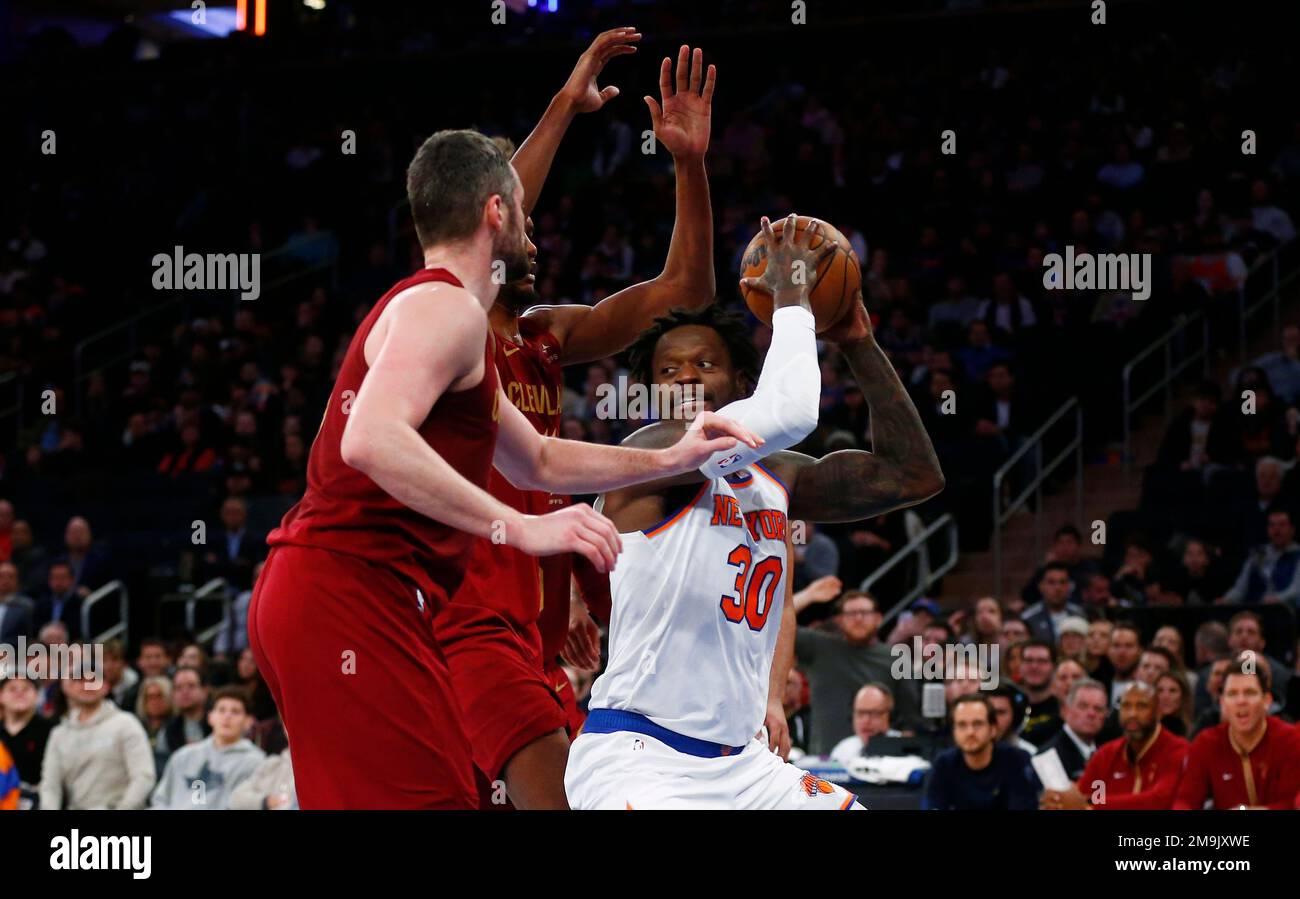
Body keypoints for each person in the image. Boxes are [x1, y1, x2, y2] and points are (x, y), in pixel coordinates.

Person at [248, 129, 755, 810]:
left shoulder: (450, 317)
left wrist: (671, 456)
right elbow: (369, 439)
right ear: (497, 212)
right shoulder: (446, 306)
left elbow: (540, 458)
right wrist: (517, 527)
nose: (532, 229)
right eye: (522, 210)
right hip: (345, 588)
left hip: (360, 595)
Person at [564, 217, 944, 809]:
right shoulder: (652, 454)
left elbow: (914, 475)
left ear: (742, 380)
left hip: (742, 765)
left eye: (705, 364)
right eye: (668, 371)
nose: (687, 376)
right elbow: (792, 411)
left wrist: (857, 339)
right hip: (639, 759)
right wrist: (793, 291)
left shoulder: (779, 474)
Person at [435, 37, 723, 810]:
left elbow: (686, 288)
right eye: (521, 221)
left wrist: (689, 164)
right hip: (464, 620)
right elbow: (483, 234)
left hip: (531, 630)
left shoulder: (543, 337)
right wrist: (566, 104)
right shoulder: (444, 328)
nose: (537, 238)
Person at [1173, 652, 1300, 809]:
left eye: (1249, 693)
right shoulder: (1207, 742)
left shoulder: (1291, 740)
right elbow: (1185, 800)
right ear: (1222, 703)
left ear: (1267, 701)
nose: (1241, 701)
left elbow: (1292, 804)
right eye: (1232, 694)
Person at [1041, 682, 1188, 810]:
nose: (1132, 714)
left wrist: (1086, 804)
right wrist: (1059, 801)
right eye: (1126, 706)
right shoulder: (1106, 755)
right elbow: (1088, 795)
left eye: (1142, 706)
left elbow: (1159, 801)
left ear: (1158, 712)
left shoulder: (1177, 750)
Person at [38, 667, 156, 810]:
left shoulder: (126, 724)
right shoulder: (59, 734)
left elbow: (144, 776)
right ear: (69, 687)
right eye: (80, 681)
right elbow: (50, 786)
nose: (87, 685)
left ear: (106, 686)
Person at [150, 687, 265, 809]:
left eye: (235, 711)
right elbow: (160, 800)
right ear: (210, 717)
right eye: (221, 710)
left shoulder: (256, 762)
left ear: (248, 721)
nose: (227, 716)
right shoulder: (183, 756)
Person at [923, 694, 1036, 810]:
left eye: (977, 724)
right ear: (953, 731)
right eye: (962, 725)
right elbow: (933, 805)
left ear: (993, 729)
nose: (970, 732)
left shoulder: (1015, 760)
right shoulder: (944, 763)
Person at [1219, 507, 1300, 608]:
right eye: (1272, 525)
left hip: (1286, 611)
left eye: (1282, 525)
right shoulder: (1257, 554)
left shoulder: (1297, 555)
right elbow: (1240, 588)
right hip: (1255, 609)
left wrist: (1278, 599)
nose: (1276, 529)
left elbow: (1296, 590)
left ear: (1292, 529)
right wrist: (1227, 599)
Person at [1033, 678, 1108, 781]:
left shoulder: (1108, 754)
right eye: (1083, 706)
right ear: (1066, 710)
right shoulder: (1047, 757)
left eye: (1098, 708)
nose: (1091, 714)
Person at [0, 670, 52, 802]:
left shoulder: (52, 730)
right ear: (1, 696)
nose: (19, 693)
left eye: (26, 688)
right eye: (12, 689)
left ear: (36, 694)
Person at [828, 684, 903, 764]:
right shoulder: (842, 750)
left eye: (874, 713)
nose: (866, 721)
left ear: (891, 717)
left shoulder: (905, 749)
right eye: (860, 713)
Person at [1021, 563, 1084, 643]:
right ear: (1041, 586)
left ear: (1069, 586)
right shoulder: (1029, 618)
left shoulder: (1080, 614)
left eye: (1062, 582)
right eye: (1051, 582)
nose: (1058, 588)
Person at [0, 561, 35, 643]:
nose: (6, 580)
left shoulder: (26, 606)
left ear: (18, 581)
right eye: (1, 576)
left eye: (11, 577)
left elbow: (26, 637)